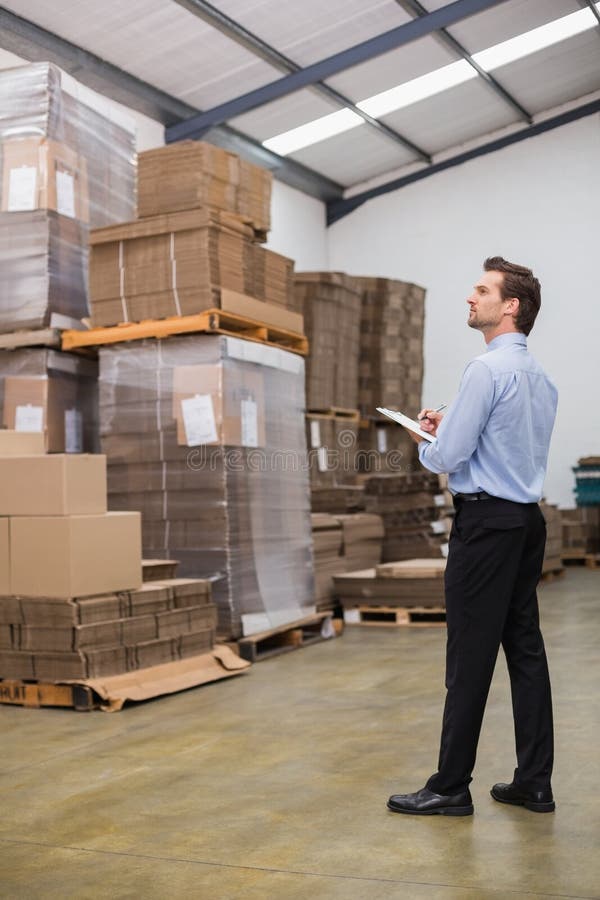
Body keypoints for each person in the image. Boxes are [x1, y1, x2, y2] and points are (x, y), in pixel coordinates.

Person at [387, 256, 558, 817]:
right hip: (525, 522)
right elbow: (503, 445)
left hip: (485, 526)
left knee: (469, 654)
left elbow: (449, 457)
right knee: (525, 649)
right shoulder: (540, 379)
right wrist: (451, 426)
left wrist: (424, 438)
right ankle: (533, 782)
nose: (470, 298)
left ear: (510, 305)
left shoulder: (485, 371)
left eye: (481, 290)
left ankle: (450, 785)